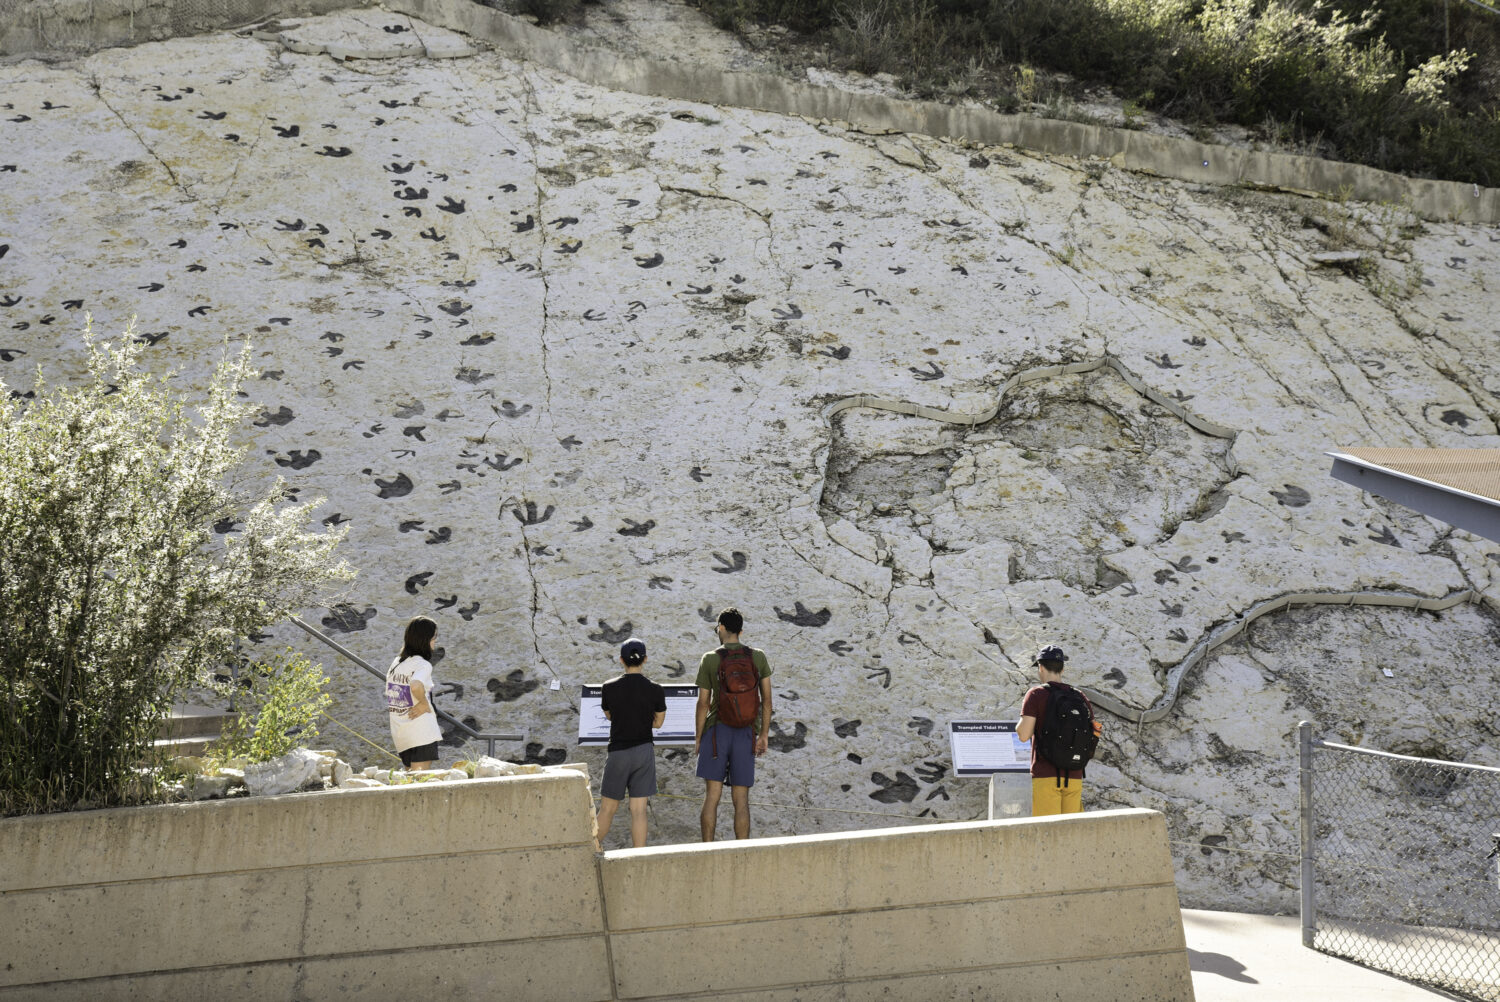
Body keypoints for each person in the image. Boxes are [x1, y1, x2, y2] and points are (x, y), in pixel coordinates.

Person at [694, 607, 772, 841]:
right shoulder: (758, 657)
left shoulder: (710, 658)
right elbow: (767, 700)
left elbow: (703, 703)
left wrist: (698, 737)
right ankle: (743, 851)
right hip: (746, 732)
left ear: (721, 627)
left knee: (712, 796)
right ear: (741, 631)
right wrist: (763, 734)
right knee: (741, 799)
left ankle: (707, 850)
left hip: (716, 732)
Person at [596, 638, 667, 848]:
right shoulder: (656, 689)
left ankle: (591, 851)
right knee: (639, 810)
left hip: (618, 751)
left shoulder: (608, 687)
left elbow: (610, 716)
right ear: (645, 659)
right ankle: (639, 856)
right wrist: (643, 720)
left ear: (621, 660)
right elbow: (658, 723)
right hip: (644, 751)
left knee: (607, 809)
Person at [1015, 644, 1093, 816]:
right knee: (1071, 829)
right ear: (1062, 669)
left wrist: (1018, 726)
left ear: (1041, 667)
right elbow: (1092, 733)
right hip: (1074, 775)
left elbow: (1024, 735)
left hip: (1046, 776)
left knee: (1046, 829)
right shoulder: (1079, 696)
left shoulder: (1036, 695)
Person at [386, 616, 443, 771]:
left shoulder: (396, 663)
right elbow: (416, 685)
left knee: (410, 779)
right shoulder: (423, 665)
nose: (435, 642)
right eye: (434, 637)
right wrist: (424, 704)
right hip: (421, 732)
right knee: (420, 781)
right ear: (425, 639)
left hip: (401, 733)